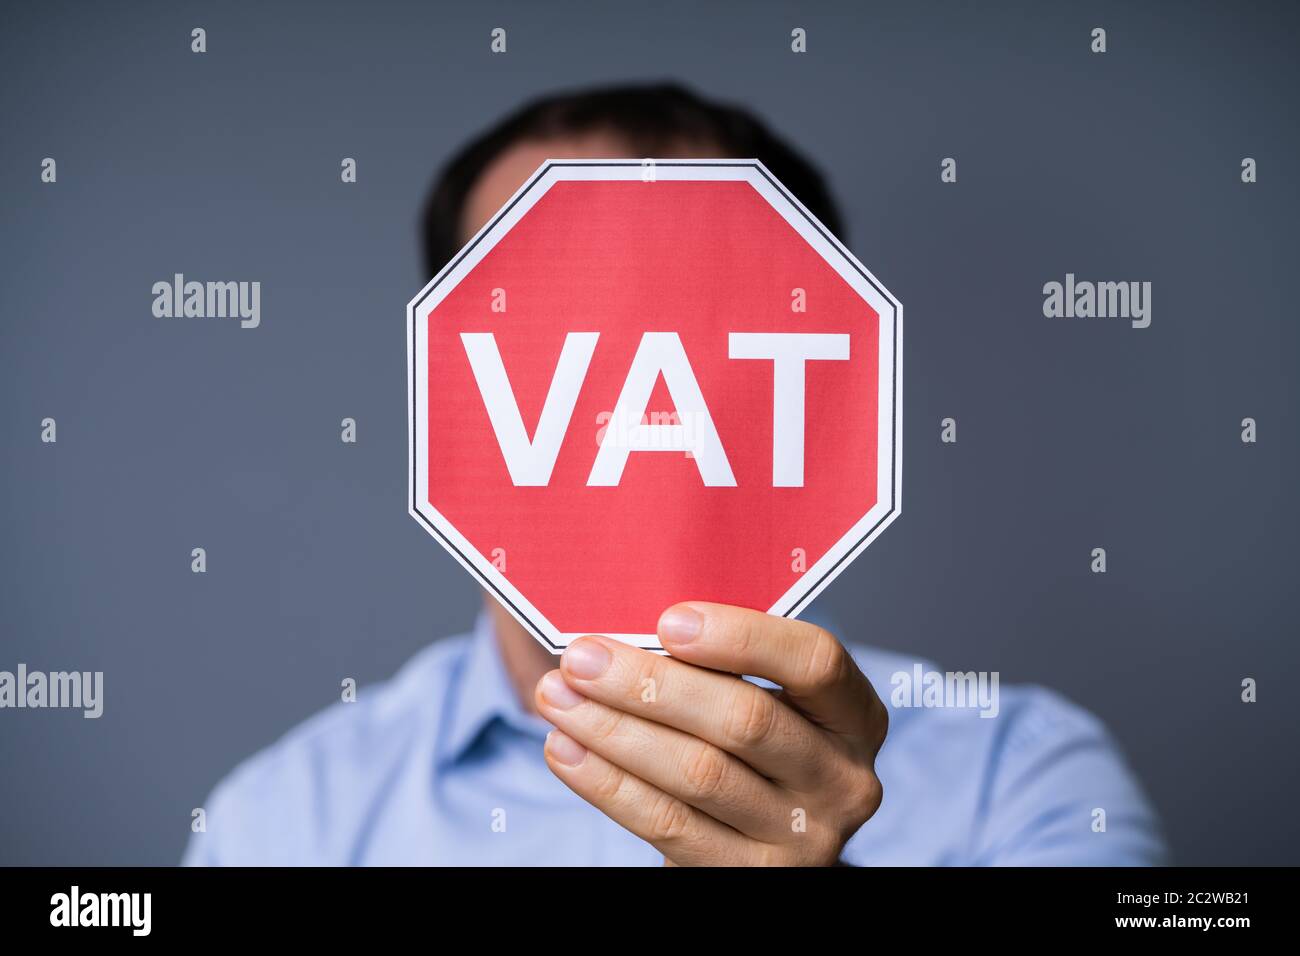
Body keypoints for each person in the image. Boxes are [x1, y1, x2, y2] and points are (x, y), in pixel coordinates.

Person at [183, 83, 1165, 866]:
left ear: (823, 382)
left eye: (705, 314)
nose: (624, 392)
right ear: (444, 383)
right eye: (538, 306)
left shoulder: (1020, 773)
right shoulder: (279, 821)